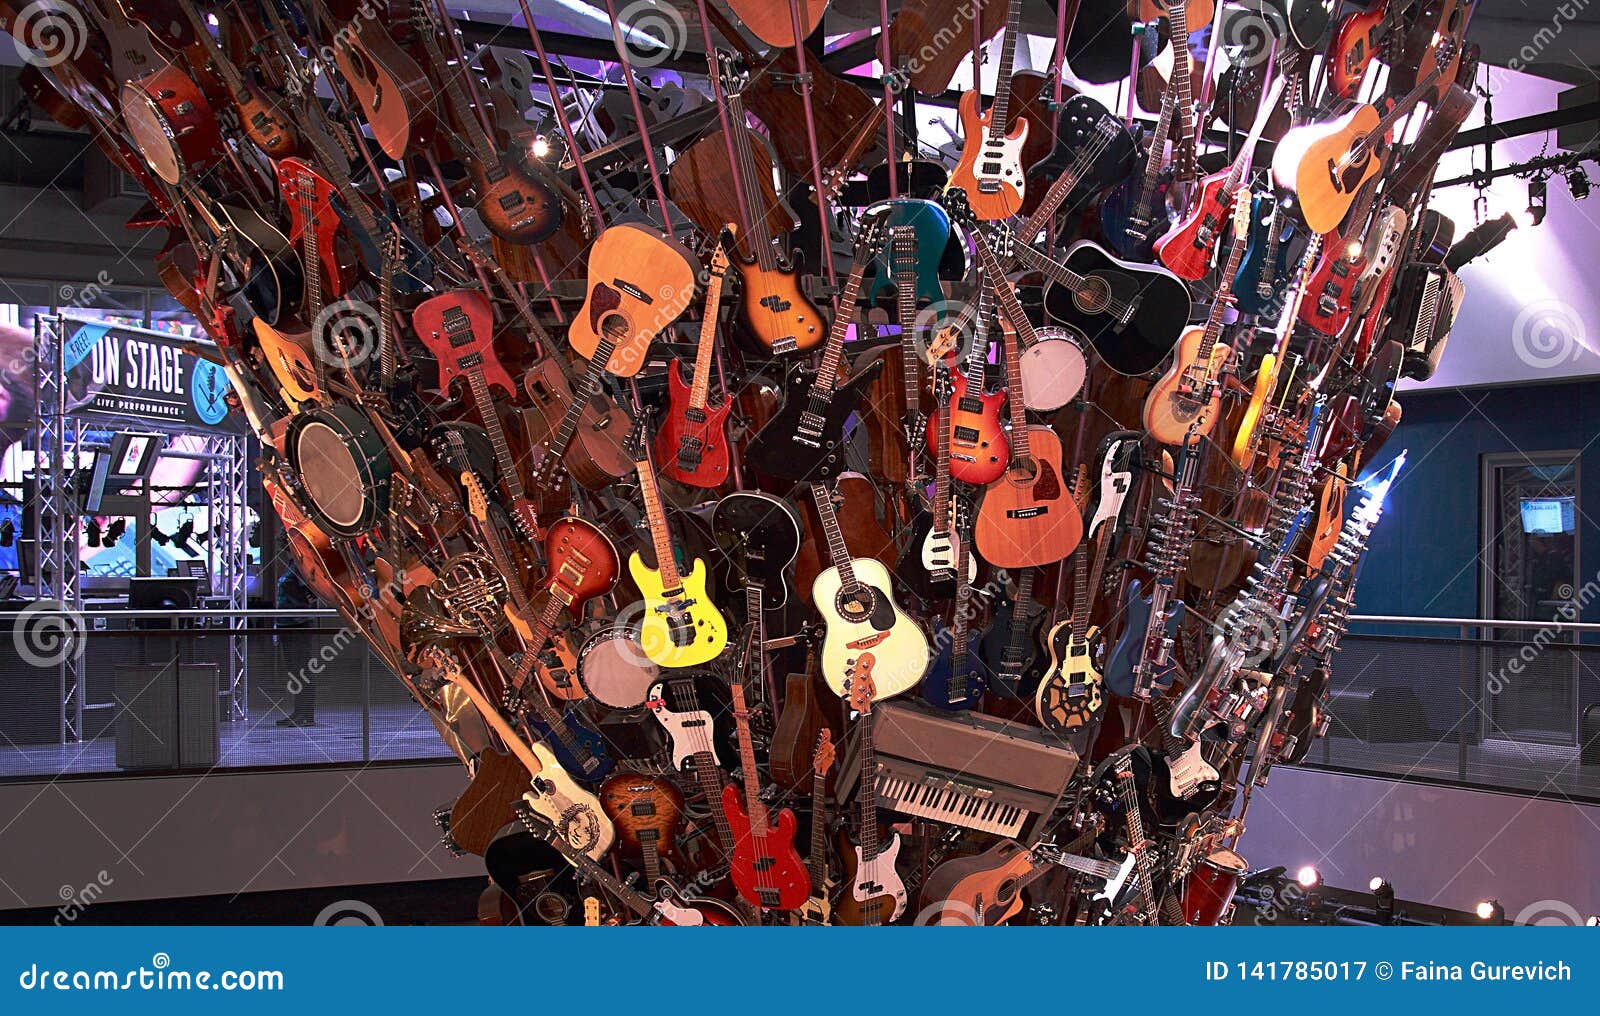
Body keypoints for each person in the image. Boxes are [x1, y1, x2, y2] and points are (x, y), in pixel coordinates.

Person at [275, 569, 318, 726]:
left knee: (302, 670)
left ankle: (306, 714)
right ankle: (299, 711)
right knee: (294, 671)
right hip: (286, 625)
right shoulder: (291, 568)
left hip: (299, 625)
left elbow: (311, 596)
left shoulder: (301, 568)